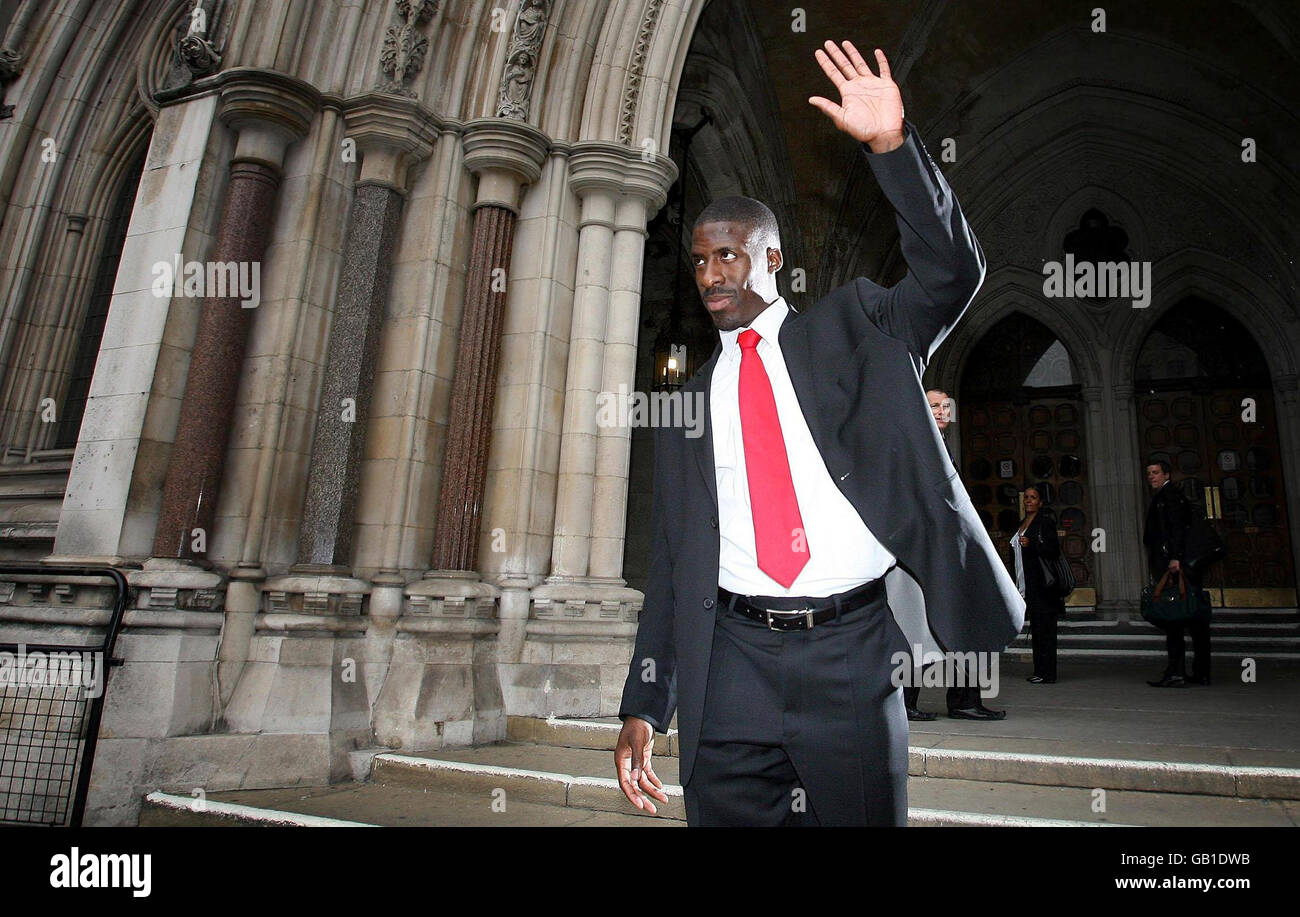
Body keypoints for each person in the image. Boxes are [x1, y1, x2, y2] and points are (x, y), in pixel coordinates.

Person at [612, 40, 1024, 826]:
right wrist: (644, 701)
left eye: (728, 254)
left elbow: (951, 274)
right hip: (728, 662)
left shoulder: (858, 327)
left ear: (772, 257)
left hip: (849, 651)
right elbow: (672, 564)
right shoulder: (689, 403)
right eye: (699, 261)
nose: (709, 276)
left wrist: (892, 148)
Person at [895, 390, 1005, 721]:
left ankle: (963, 700)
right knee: (916, 626)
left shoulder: (941, 446)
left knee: (965, 624)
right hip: (923, 555)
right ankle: (908, 703)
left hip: (949, 553)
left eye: (946, 406)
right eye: (934, 407)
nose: (942, 411)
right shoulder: (915, 446)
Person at [1142, 458, 1211, 687]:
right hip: (1180, 564)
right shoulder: (1167, 495)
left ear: (1167, 475)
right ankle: (1200, 672)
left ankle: (1177, 672)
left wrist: (1175, 558)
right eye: (1149, 473)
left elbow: (1177, 528)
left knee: (1175, 619)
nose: (1152, 476)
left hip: (1175, 566)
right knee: (1193, 619)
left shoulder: (1169, 495)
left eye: (1156, 472)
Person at [1013, 485, 1065, 683]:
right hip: (1030, 584)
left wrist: (1032, 544)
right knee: (1037, 629)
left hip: (1045, 586)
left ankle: (1048, 673)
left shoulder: (1045, 522)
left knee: (1046, 631)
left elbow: (1053, 550)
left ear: (1040, 502)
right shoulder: (1022, 522)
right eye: (1026, 497)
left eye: (1033, 497)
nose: (1028, 500)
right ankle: (1039, 671)